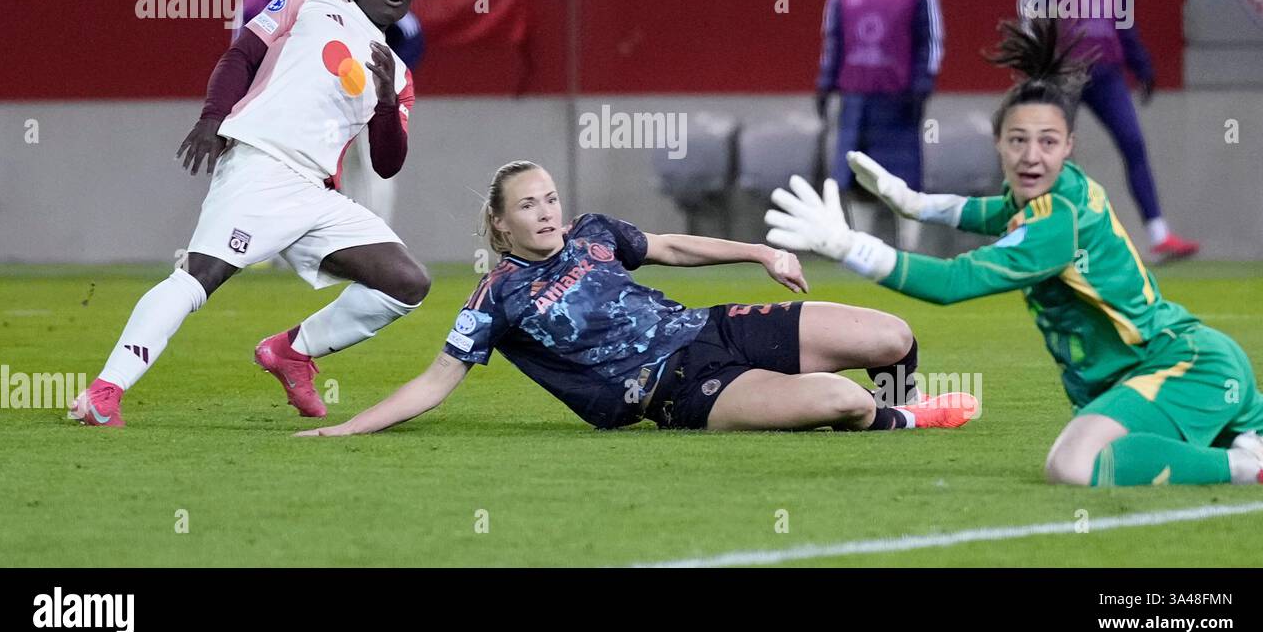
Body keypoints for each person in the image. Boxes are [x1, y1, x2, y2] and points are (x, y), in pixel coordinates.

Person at [766, 17, 1263, 487]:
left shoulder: (1055, 224)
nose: (1031, 156)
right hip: (1177, 369)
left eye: (1047, 143)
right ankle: (1245, 449)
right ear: (998, 143)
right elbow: (993, 212)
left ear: (1069, 146)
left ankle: (1248, 466)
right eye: (1017, 141)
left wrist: (849, 246)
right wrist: (915, 202)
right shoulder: (1057, 189)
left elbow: (953, 283)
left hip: (1181, 369)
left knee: (1073, 465)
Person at [296, 160, 980, 436]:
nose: (545, 212)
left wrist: (761, 251)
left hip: (715, 327)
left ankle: (904, 413)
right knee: (846, 400)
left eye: (550, 198)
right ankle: (900, 425)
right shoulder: (495, 297)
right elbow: (433, 383)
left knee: (891, 336)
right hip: (677, 389)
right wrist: (344, 429)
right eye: (527, 206)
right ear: (501, 224)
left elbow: (673, 247)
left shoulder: (593, 234)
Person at [69, 0, 433, 428]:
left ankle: (291, 352)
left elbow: (387, 162)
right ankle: (105, 391)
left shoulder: (396, 72)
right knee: (200, 277)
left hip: (315, 192)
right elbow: (242, 54)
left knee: (406, 282)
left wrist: (381, 103)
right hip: (261, 162)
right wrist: (212, 117)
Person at [1018, 0, 1197, 259]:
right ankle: (1046, 234)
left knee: (1133, 144)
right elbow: (1030, 10)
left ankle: (1159, 234)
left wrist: (1141, 63)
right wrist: (1038, 64)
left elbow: (1124, 18)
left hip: (1107, 72)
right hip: (1063, 72)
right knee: (1052, 152)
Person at [816, 0, 943, 248]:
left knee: (904, 179)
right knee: (856, 177)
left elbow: (930, 40)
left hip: (899, 101)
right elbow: (833, 39)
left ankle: (909, 248)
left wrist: (922, 83)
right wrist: (826, 83)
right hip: (856, 100)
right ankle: (862, 245)